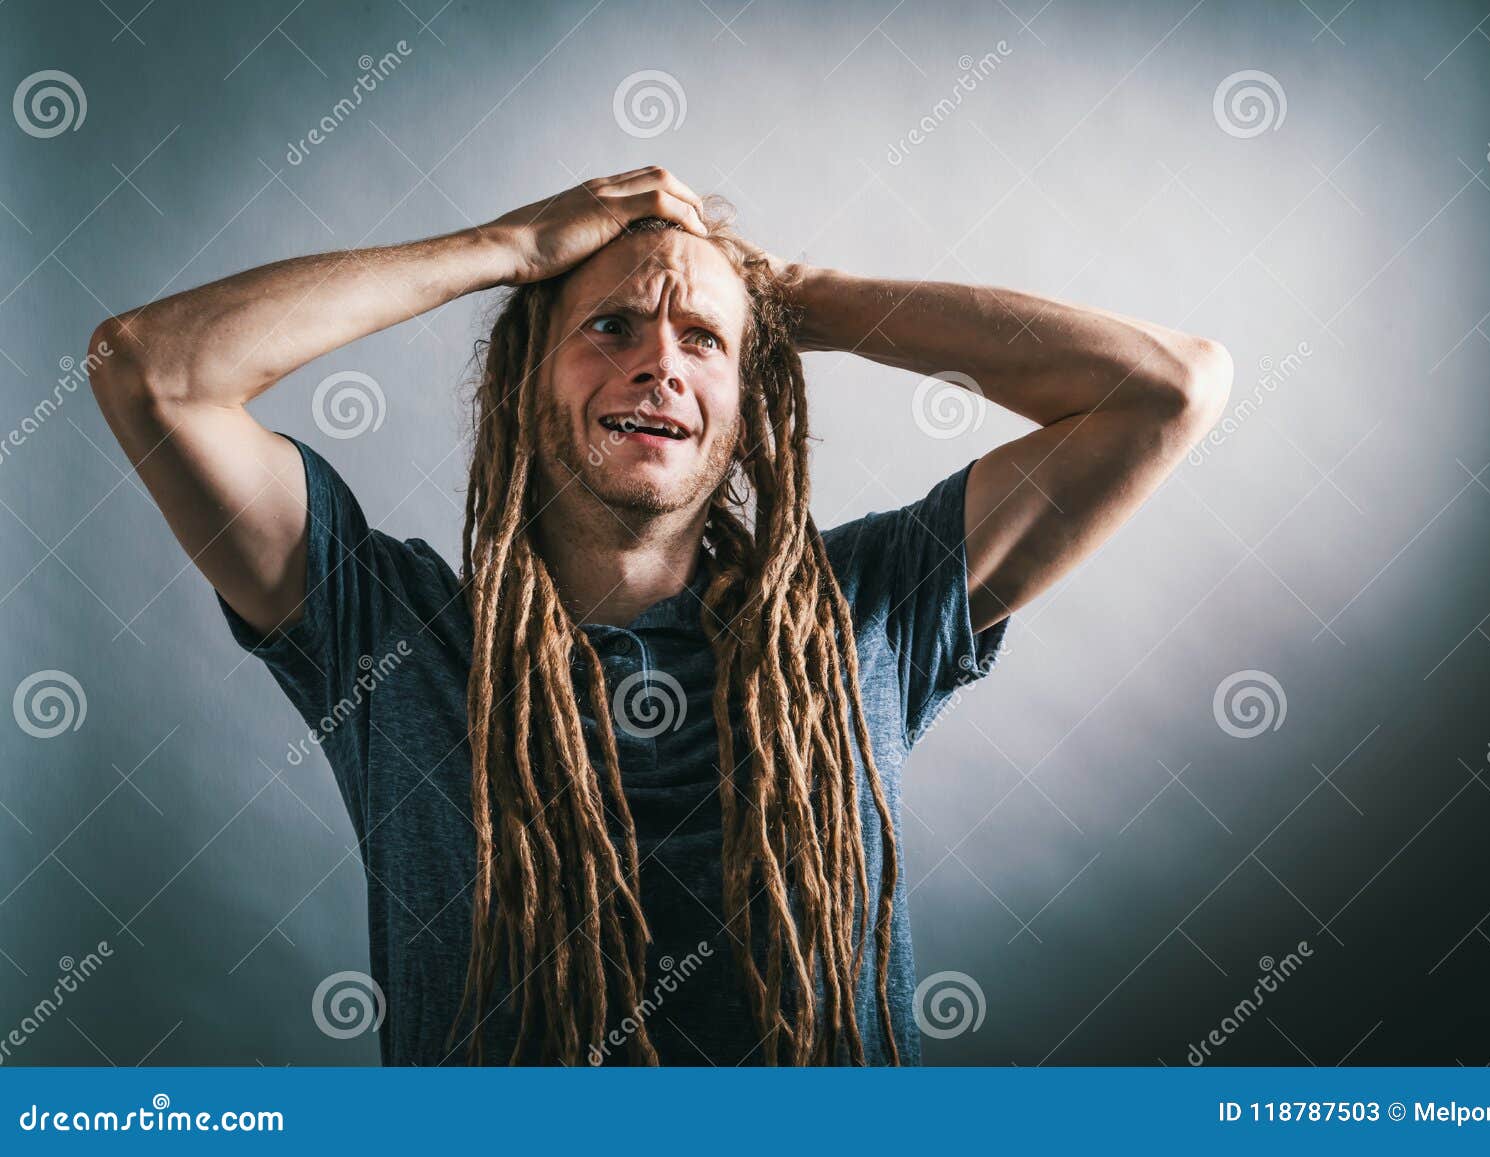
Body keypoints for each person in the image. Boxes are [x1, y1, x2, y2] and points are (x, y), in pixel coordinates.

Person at [88, 166, 1232, 1066]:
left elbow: (1165, 389)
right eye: (611, 328)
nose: (659, 366)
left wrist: (785, 294)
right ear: (525, 380)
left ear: (750, 399)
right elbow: (151, 370)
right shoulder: (390, 633)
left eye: (703, 344)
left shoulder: (863, 607)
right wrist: (502, 250)